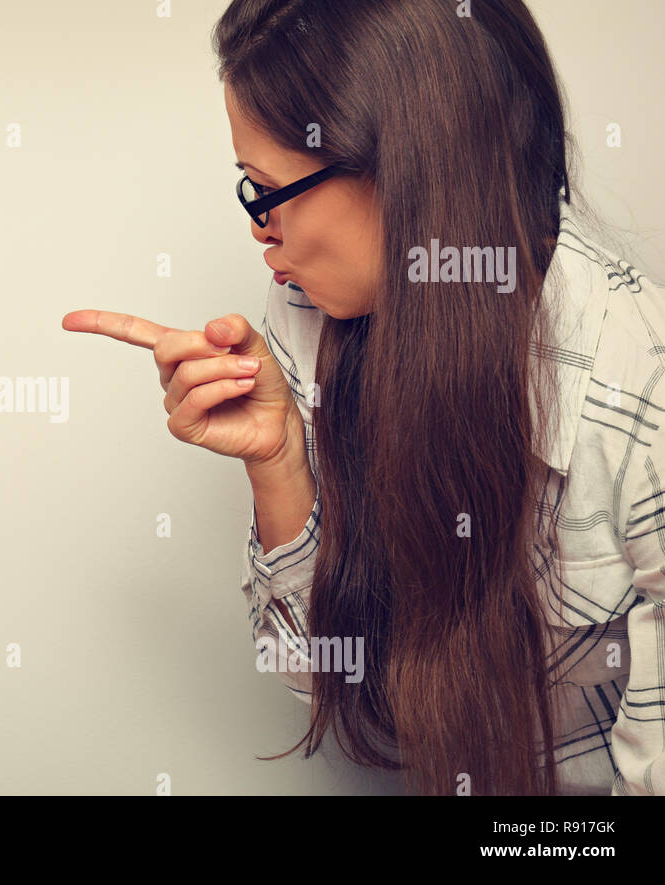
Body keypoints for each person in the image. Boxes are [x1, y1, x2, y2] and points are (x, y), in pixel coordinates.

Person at [64, 0, 664, 795]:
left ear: (414, 169)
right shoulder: (314, 312)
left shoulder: (639, 394)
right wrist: (277, 461)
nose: (260, 230)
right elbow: (322, 681)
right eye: (249, 188)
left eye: (268, 189)